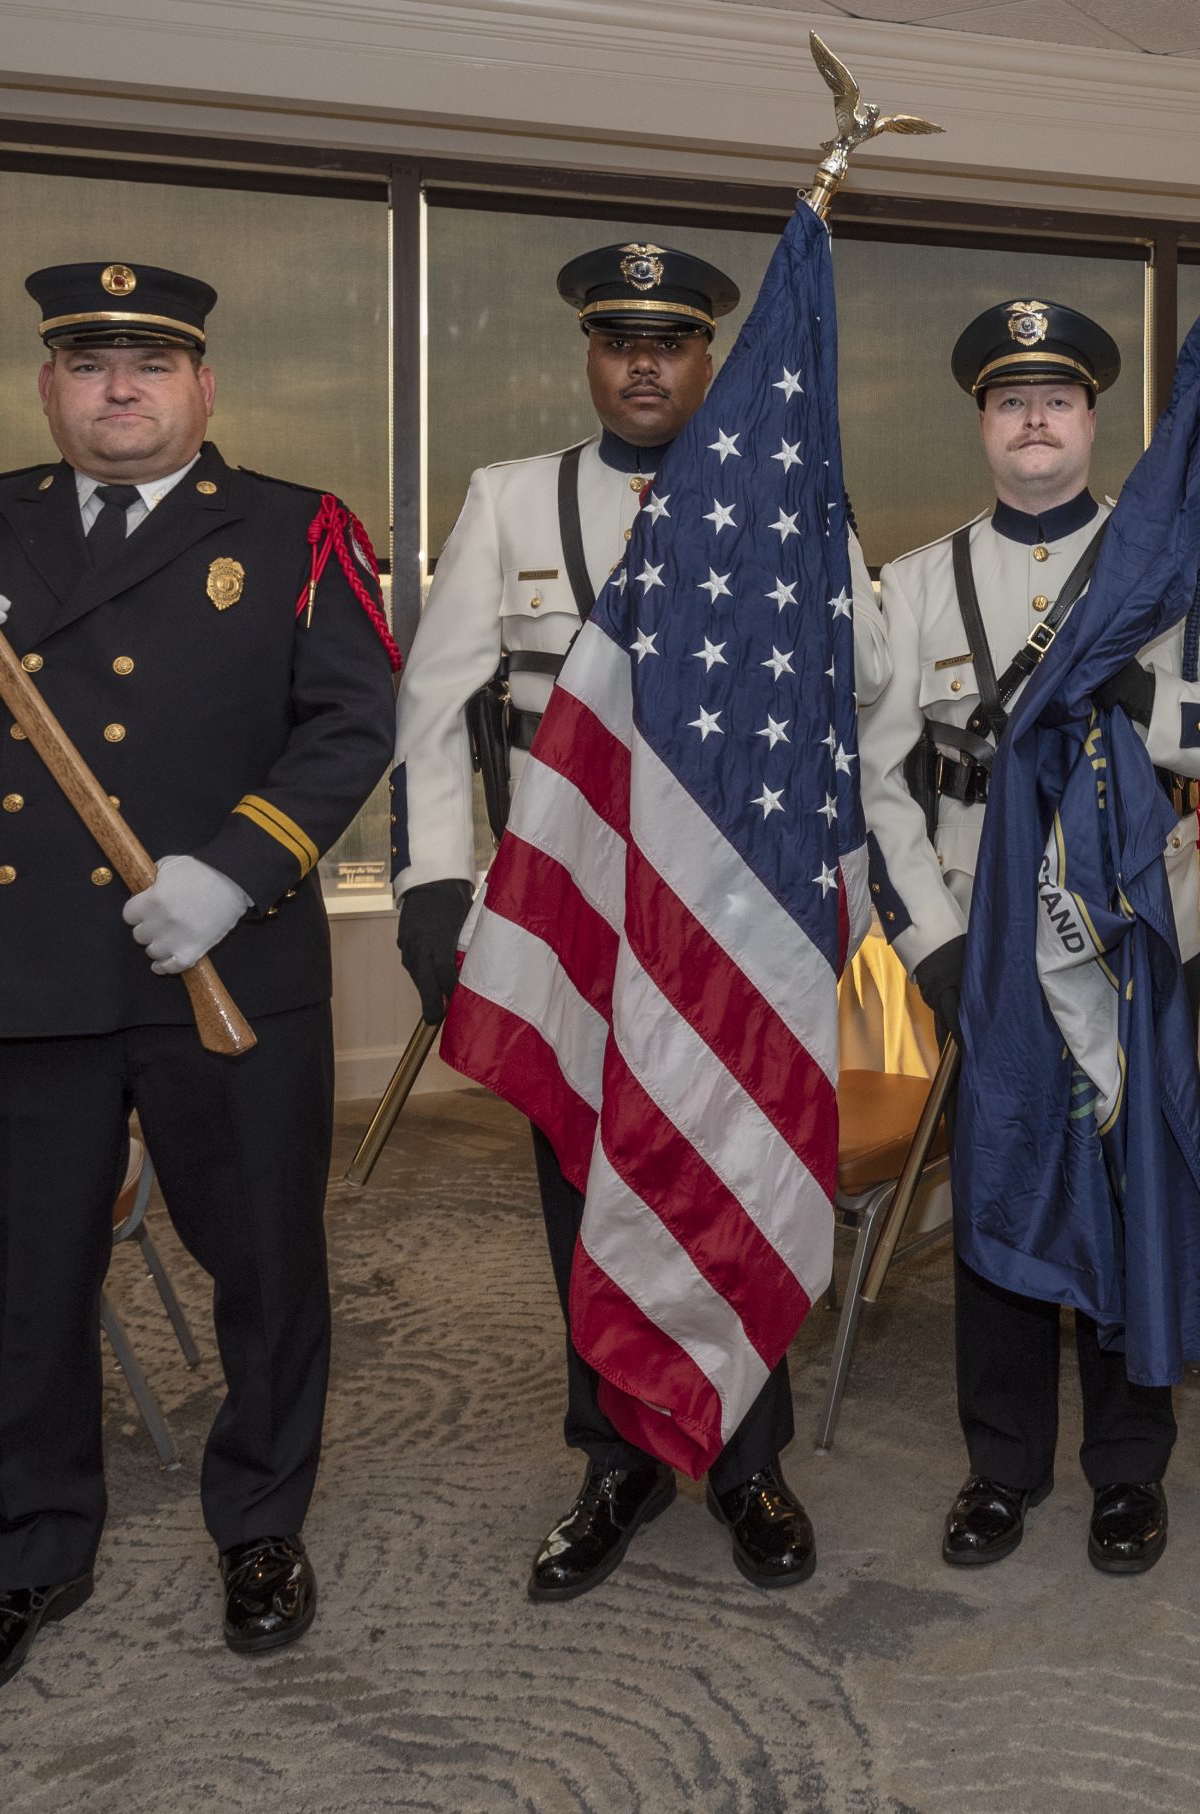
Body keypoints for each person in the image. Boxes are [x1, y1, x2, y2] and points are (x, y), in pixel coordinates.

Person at [0, 261, 397, 1714]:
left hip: (228, 959)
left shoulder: (298, 527)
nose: (120, 388)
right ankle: (30, 1553)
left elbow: (351, 722)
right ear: (52, 386)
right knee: (25, 1284)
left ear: (204, 388)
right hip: (21, 976)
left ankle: (261, 1524)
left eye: (152, 363)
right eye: (87, 364)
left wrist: (235, 872)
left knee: (262, 1264)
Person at [390, 242, 859, 1600]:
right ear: (590, 357)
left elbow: (859, 691)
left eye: (671, 340)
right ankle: (615, 1458)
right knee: (585, 1186)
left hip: (735, 930)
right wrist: (434, 888)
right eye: (619, 340)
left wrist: (804, 528)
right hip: (577, 916)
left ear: (711, 359)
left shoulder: (781, 500)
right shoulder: (510, 499)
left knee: (746, 1177)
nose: (646, 363)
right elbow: (435, 710)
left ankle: (749, 1459)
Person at [858, 297, 1200, 1575]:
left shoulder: (1172, 571)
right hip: (981, 940)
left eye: (1060, 399)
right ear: (983, 423)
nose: (1035, 419)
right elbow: (880, 784)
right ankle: (1003, 1463)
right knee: (1002, 1190)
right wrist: (926, 940)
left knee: (1132, 1184)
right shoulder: (917, 586)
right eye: (1011, 400)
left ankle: (1128, 1466)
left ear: (1095, 421)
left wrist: (1145, 691)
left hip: (1129, 938)